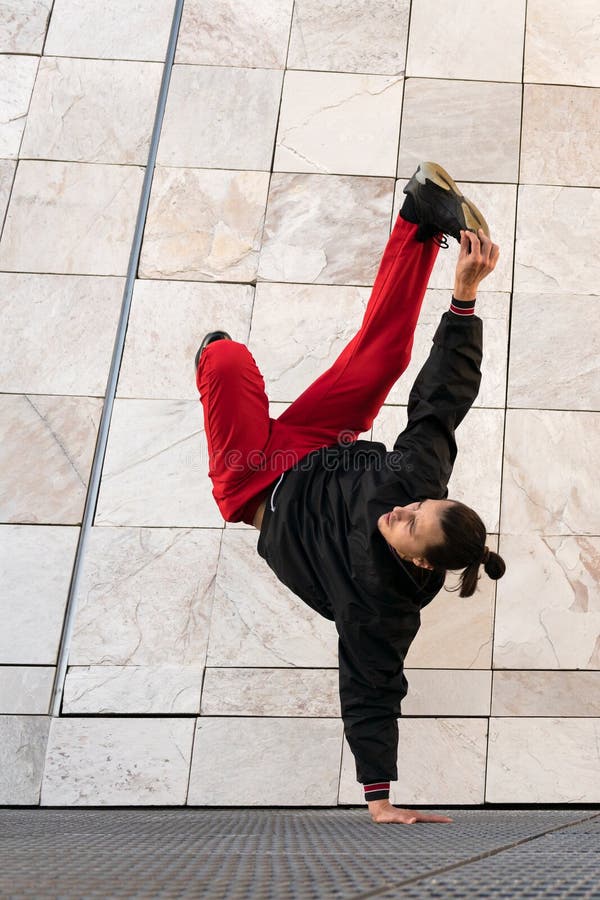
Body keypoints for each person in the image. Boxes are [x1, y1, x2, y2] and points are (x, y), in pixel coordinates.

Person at [194, 161, 506, 825]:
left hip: (253, 481)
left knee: (225, 359)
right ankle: (419, 218)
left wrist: (380, 799)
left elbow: (372, 689)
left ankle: (210, 353)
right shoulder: (415, 483)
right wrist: (465, 300)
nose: (403, 509)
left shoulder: (378, 609)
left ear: (420, 561)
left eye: (408, 524)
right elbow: (441, 401)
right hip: (317, 442)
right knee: (385, 360)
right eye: (417, 505)